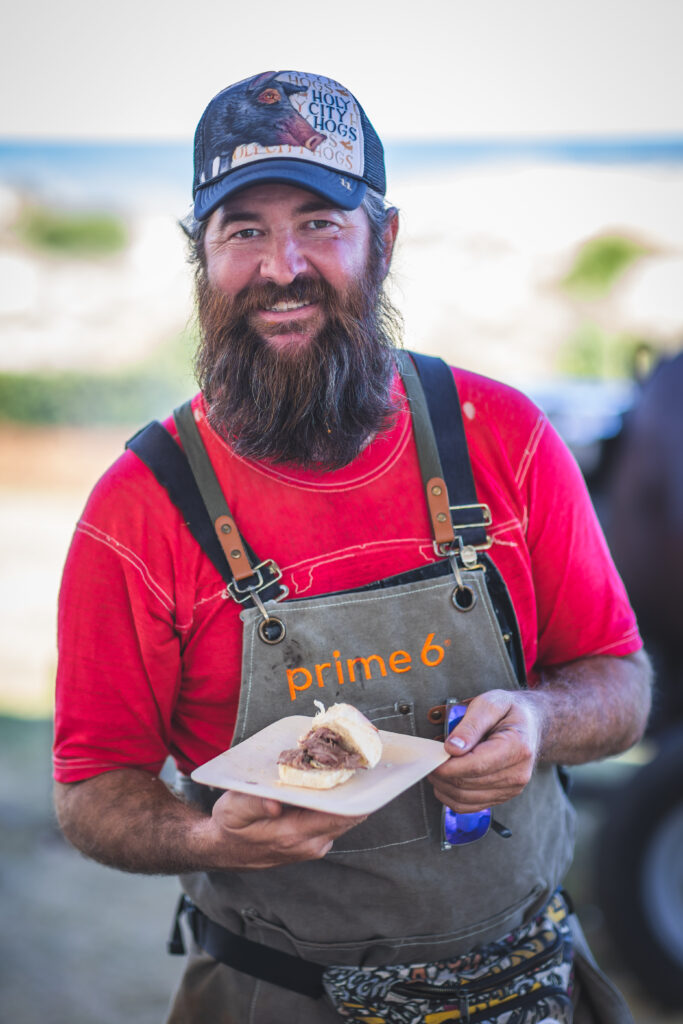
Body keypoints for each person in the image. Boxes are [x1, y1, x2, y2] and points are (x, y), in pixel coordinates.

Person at [53, 69, 651, 1024]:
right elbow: (92, 793)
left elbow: (619, 681)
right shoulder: (140, 508)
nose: (281, 265)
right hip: (275, 995)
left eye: (320, 222)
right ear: (199, 257)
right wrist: (211, 840)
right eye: (242, 229)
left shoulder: (500, 434)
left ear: (385, 238)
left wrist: (538, 721)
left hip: (534, 981)